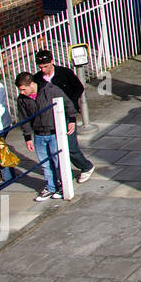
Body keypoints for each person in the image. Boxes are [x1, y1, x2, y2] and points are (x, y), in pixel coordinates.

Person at [33, 49, 96, 183]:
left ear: (52, 62)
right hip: (49, 116)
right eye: (41, 67)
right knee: (56, 147)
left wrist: (71, 105)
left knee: (69, 145)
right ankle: (61, 175)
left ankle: (86, 166)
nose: (44, 70)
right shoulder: (37, 79)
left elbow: (78, 87)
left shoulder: (64, 73)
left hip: (67, 113)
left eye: (46, 66)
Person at [13, 71, 73, 201]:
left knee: (58, 162)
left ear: (31, 84)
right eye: (20, 90)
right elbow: (24, 119)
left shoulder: (50, 90)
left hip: (53, 132)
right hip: (39, 135)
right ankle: (51, 187)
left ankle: (63, 185)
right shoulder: (22, 99)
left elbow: (67, 103)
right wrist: (28, 137)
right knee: (45, 163)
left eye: (23, 89)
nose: (21, 92)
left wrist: (72, 119)